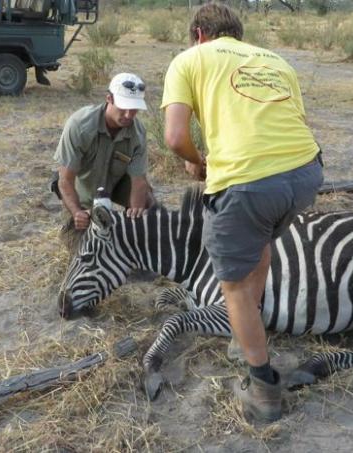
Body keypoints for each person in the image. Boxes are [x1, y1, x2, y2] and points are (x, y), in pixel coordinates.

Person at [161, 4, 323, 423]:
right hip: (306, 174)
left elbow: (176, 137)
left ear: (199, 34)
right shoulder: (275, 60)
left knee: (231, 284)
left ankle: (263, 387)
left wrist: (200, 163)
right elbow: (295, 121)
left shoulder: (188, 59)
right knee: (261, 243)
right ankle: (243, 333)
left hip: (248, 182)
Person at [52, 72, 155, 229]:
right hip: (83, 187)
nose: (129, 115)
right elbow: (65, 180)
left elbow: (138, 181)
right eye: (124, 107)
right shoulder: (79, 125)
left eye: (134, 109)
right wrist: (77, 212)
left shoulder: (138, 133)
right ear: (109, 99)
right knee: (82, 233)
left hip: (117, 182)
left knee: (147, 204)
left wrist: (136, 217)